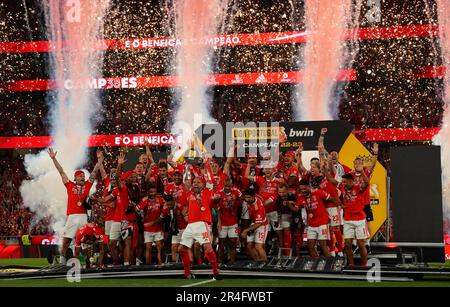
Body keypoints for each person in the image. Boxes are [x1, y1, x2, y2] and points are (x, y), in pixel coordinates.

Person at [48, 147, 103, 264]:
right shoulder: (69, 185)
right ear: (76, 177)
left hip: (83, 217)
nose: (83, 177)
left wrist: (99, 162)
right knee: (66, 241)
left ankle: (89, 263)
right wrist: (54, 159)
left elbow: (94, 172)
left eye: (83, 176)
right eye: (80, 176)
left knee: (86, 242)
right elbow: (61, 171)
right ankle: (62, 262)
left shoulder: (87, 185)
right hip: (72, 216)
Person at [178, 159, 221, 280]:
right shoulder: (190, 193)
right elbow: (185, 181)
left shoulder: (207, 192)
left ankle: (216, 273)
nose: (195, 183)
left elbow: (210, 179)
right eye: (194, 182)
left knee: (207, 248)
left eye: (198, 182)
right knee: (181, 249)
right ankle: (187, 274)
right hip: (190, 225)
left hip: (202, 224)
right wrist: (187, 166)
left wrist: (206, 165)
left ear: (203, 184)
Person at [323, 165, 370, 267]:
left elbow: (366, 183)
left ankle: (365, 264)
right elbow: (331, 180)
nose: (343, 184)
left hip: (360, 220)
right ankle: (351, 264)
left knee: (361, 244)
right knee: (348, 244)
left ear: (351, 181)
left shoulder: (358, 188)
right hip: (347, 220)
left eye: (345, 182)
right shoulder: (342, 188)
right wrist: (324, 171)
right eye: (342, 182)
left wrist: (362, 172)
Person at [290, 179, 343, 258]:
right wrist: (289, 205)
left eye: (304, 189)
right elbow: (296, 209)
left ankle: (329, 263)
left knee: (323, 245)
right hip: (311, 224)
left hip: (322, 223)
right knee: (310, 246)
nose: (303, 191)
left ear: (309, 186)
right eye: (301, 189)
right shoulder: (301, 197)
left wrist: (341, 205)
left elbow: (331, 198)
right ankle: (316, 262)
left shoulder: (318, 192)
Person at [136, 183, 166, 265]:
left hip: (158, 228)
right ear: (148, 192)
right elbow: (136, 209)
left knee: (159, 247)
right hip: (147, 229)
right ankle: (148, 265)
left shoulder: (160, 199)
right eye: (151, 192)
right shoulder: (144, 200)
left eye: (154, 192)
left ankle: (160, 262)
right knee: (148, 247)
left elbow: (165, 210)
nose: (153, 193)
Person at [215, 177, 241, 265]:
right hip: (223, 223)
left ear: (231, 185)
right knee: (221, 243)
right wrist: (219, 221)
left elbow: (243, 199)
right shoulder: (219, 193)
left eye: (229, 186)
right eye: (225, 186)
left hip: (233, 222)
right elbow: (217, 208)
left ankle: (232, 262)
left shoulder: (236, 192)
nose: (227, 188)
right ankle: (219, 261)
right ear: (223, 185)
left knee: (233, 243)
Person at [241, 188, 269, 265]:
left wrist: (246, 230)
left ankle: (265, 264)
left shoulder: (258, 207)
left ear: (253, 197)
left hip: (262, 225)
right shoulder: (252, 198)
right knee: (249, 246)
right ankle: (257, 262)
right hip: (254, 223)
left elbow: (258, 224)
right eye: (246, 197)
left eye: (249, 197)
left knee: (258, 246)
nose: (247, 199)